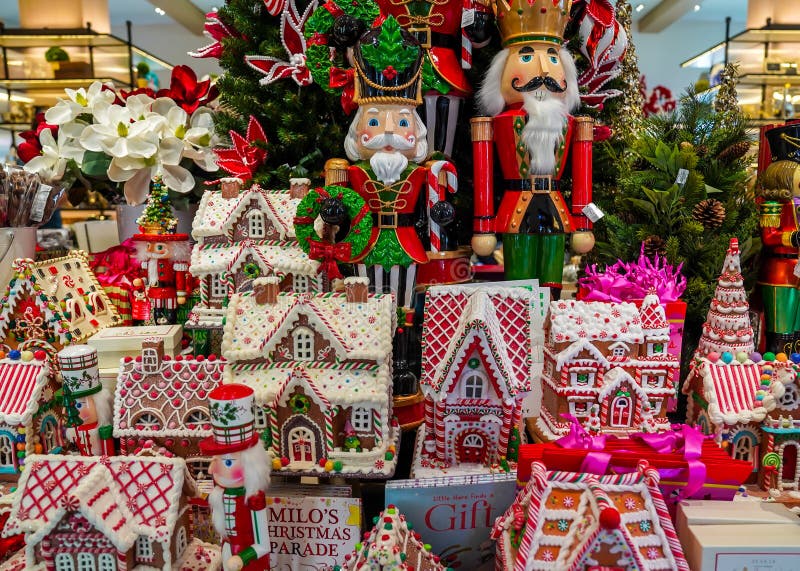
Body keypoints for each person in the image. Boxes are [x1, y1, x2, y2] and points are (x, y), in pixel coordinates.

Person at [470, 0, 618, 298]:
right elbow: (483, 173)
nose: (542, 70)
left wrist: (583, 222)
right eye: (526, 56)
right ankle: (521, 326)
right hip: (515, 207)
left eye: (552, 57)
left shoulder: (572, 123)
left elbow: (582, 174)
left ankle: (548, 321)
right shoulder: (494, 123)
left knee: (552, 279)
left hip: (556, 207)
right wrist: (483, 225)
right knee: (519, 283)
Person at [201, 384, 271, 571]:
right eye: (215, 459)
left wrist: (241, 559)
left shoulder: (254, 499)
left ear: (250, 466)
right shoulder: (220, 495)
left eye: (228, 462)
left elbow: (263, 544)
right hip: (227, 554)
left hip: (250, 563)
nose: (211, 470)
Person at [58, 345, 114, 456]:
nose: (67, 412)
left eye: (79, 405)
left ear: (99, 406)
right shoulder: (74, 431)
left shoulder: (102, 431)